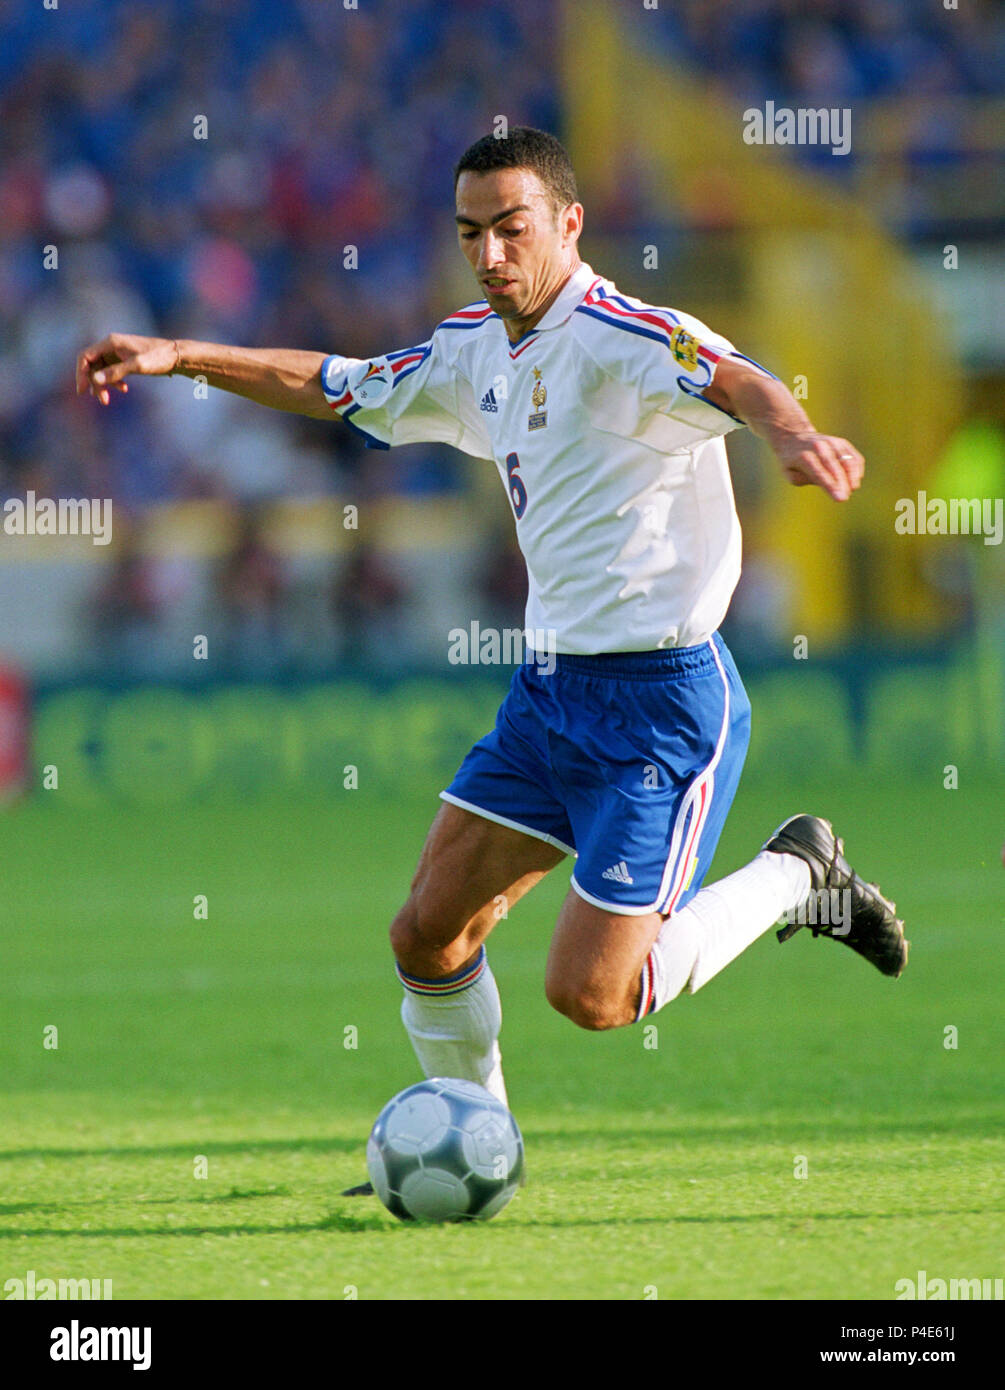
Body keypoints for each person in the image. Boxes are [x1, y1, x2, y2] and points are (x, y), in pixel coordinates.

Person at [77, 127, 907, 1136]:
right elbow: (336, 383)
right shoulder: (472, 348)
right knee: (427, 933)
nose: (490, 254)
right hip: (552, 695)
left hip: (663, 703)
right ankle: (478, 1141)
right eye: (470, 233)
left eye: (510, 229)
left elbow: (738, 381)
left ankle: (797, 872)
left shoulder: (626, 334)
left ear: (568, 223)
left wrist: (794, 434)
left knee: (595, 995)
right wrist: (181, 356)